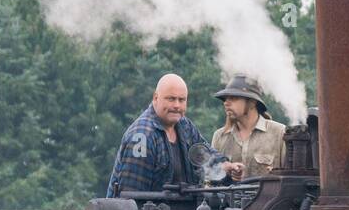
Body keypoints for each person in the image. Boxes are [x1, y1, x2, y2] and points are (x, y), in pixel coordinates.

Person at [105, 74, 235, 196]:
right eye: (171, 99)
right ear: (156, 98)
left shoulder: (185, 126)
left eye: (181, 100)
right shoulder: (141, 136)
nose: (177, 105)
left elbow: (204, 156)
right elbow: (131, 198)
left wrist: (225, 167)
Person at [210, 74, 286, 179]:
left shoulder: (279, 133)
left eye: (234, 98)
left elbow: (289, 180)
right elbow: (211, 178)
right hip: (230, 195)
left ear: (252, 102)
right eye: (225, 99)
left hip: (270, 196)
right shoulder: (219, 137)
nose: (226, 103)